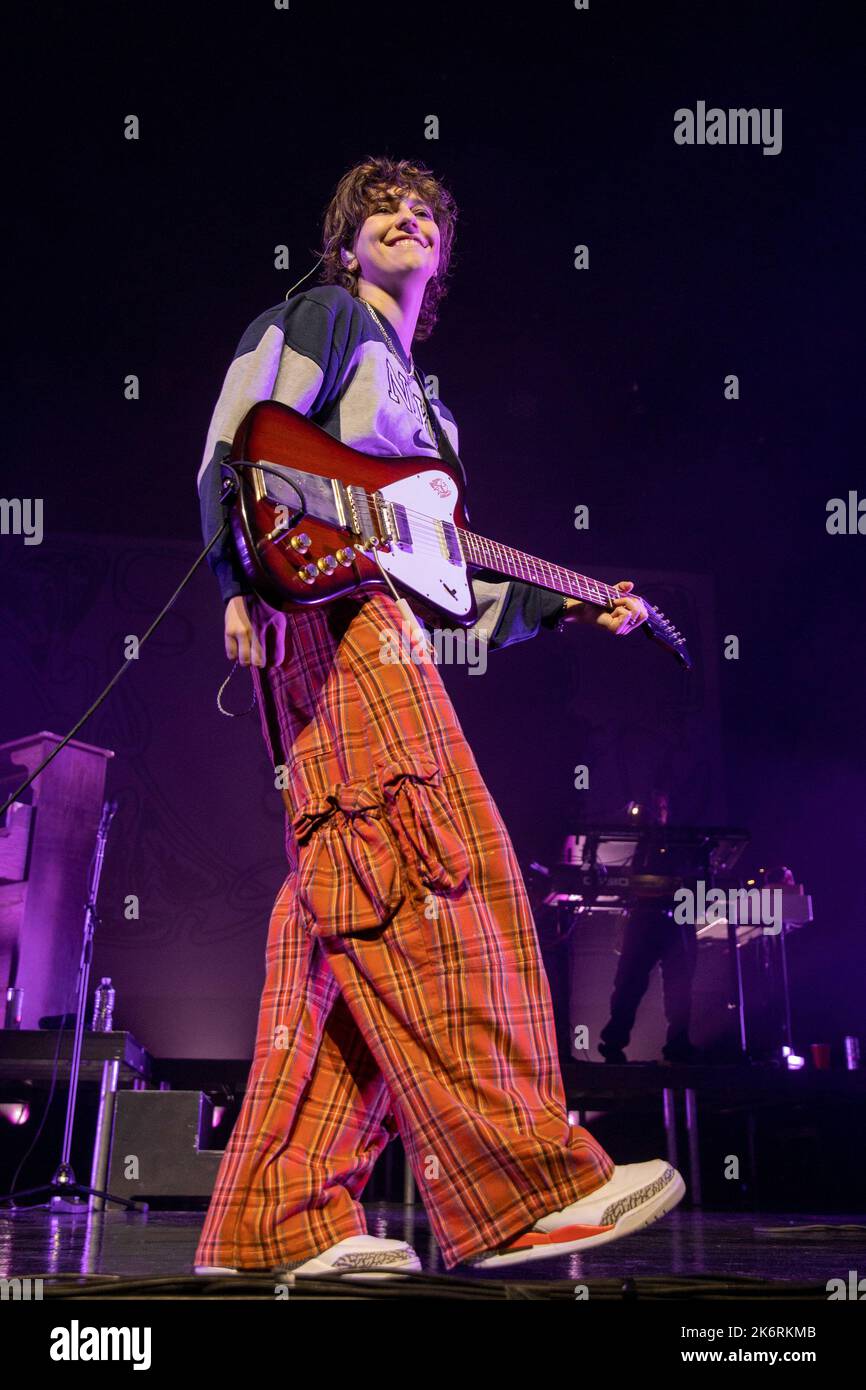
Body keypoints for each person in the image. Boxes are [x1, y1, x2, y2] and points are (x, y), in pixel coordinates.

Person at [193, 156, 684, 1278]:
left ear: (445, 255)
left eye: (425, 212)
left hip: (385, 624)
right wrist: (232, 580)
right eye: (381, 209)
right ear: (344, 242)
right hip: (332, 620)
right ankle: (520, 1187)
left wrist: (568, 606)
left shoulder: (436, 417)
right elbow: (236, 442)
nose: (405, 218)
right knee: (432, 873)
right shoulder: (319, 318)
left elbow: (451, 585)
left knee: (344, 910)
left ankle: (278, 1217)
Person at [599, 791, 701, 1065]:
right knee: (629, 982)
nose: (660, 812)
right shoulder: (640, 837)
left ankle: (678, 1044)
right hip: (644, 916)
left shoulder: (683, 839)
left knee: (679, 985)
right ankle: (614, 1041)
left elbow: (696, 872)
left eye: (664, 807)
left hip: (676, 915)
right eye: (656, 807)